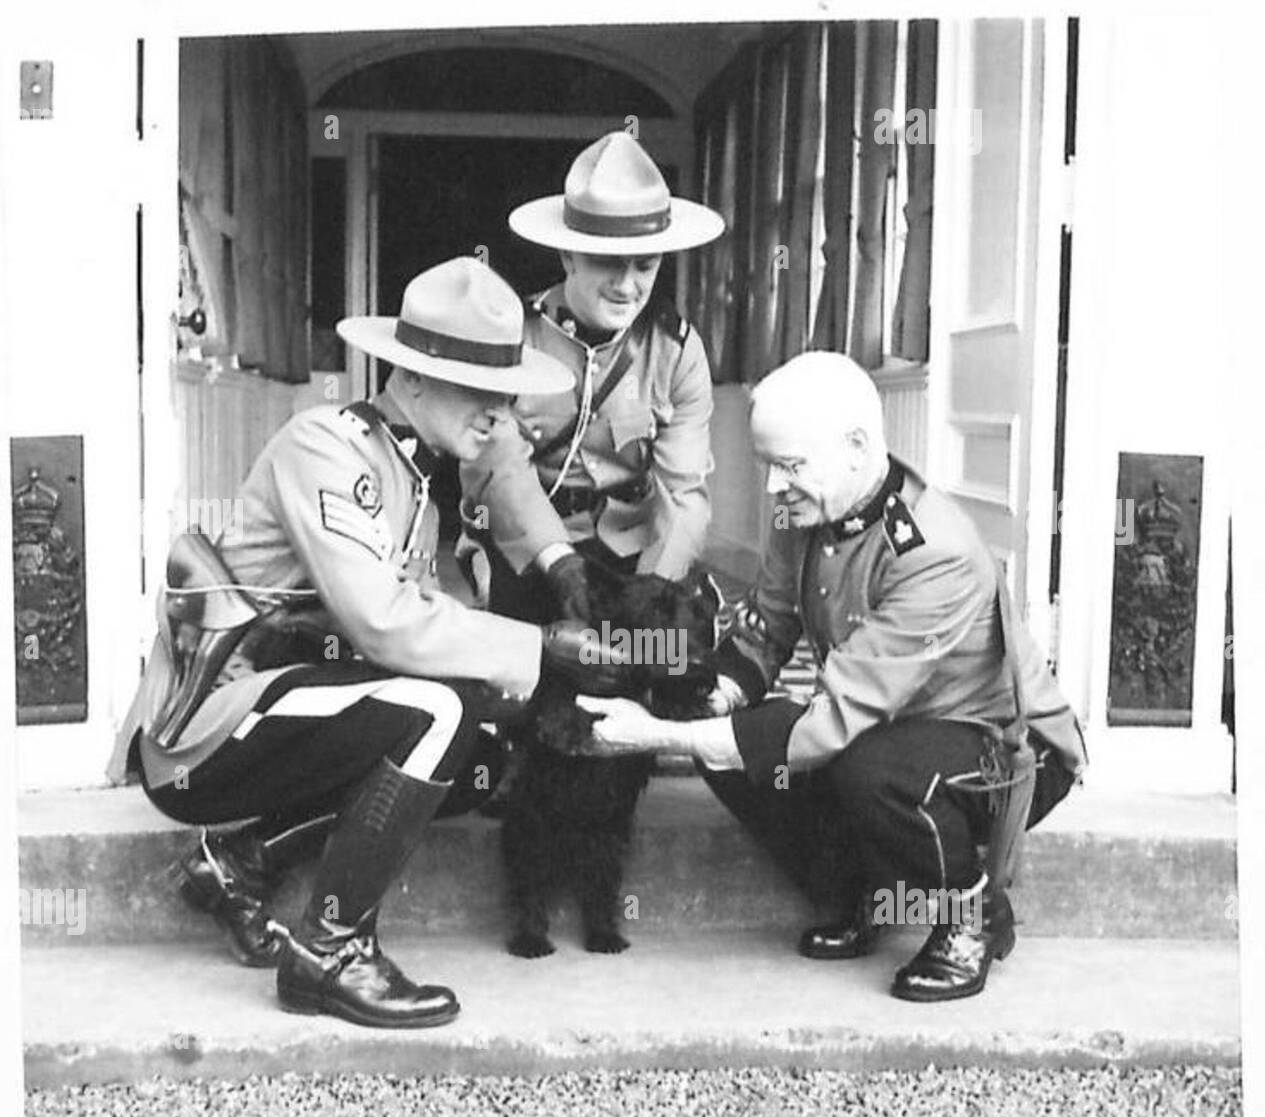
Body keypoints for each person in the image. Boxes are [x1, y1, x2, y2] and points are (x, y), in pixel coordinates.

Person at [108, 257, 628, 1028]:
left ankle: (239, 863)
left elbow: (409, 627)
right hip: (206, 729)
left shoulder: (409, 473)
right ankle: (330, 952)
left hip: (282, 706)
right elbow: (384, 621)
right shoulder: (328, 447)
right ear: (410, 379)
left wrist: (519, 676)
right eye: (476, 390)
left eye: (506, 396)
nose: (498, 415)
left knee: (479, 751)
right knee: (437, 712)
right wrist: (541, 646)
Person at [576, 352, 1088, 1003]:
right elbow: (767, 628)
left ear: (855, 447)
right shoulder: (810, 504)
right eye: (769, 467)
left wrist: (651, 735)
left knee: (866, 768)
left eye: (789, 466)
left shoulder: (934, 553)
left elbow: (835, 720)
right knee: (732, 744)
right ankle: (864, 892)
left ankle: (972, 917)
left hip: (1003, 749)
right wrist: (710, 702)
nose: (771, 489)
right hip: (888, 727)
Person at [458, 130, 726, 627]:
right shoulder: (515, 339)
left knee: (664, 662)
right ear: (567, 257)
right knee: (530, 677)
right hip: (525, 543)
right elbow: (495, 470)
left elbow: (683, 495)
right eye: (607, 263)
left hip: (630, 548)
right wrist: (558, 563)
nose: (628, 287)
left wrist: (656, 590)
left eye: (645, 266)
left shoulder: (677, 351)